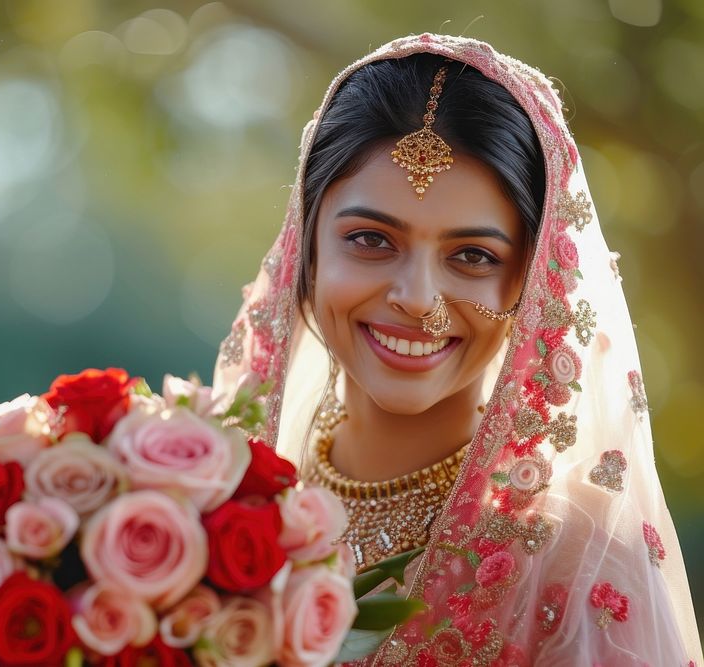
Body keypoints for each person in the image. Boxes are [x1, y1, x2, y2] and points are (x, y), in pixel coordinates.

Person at [212, 33, 703, 665]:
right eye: (370, 240)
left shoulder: (570, 558)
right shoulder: (204, 504)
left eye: (473, 256)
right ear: (304, 247)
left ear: (532, 281)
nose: (418, 299)